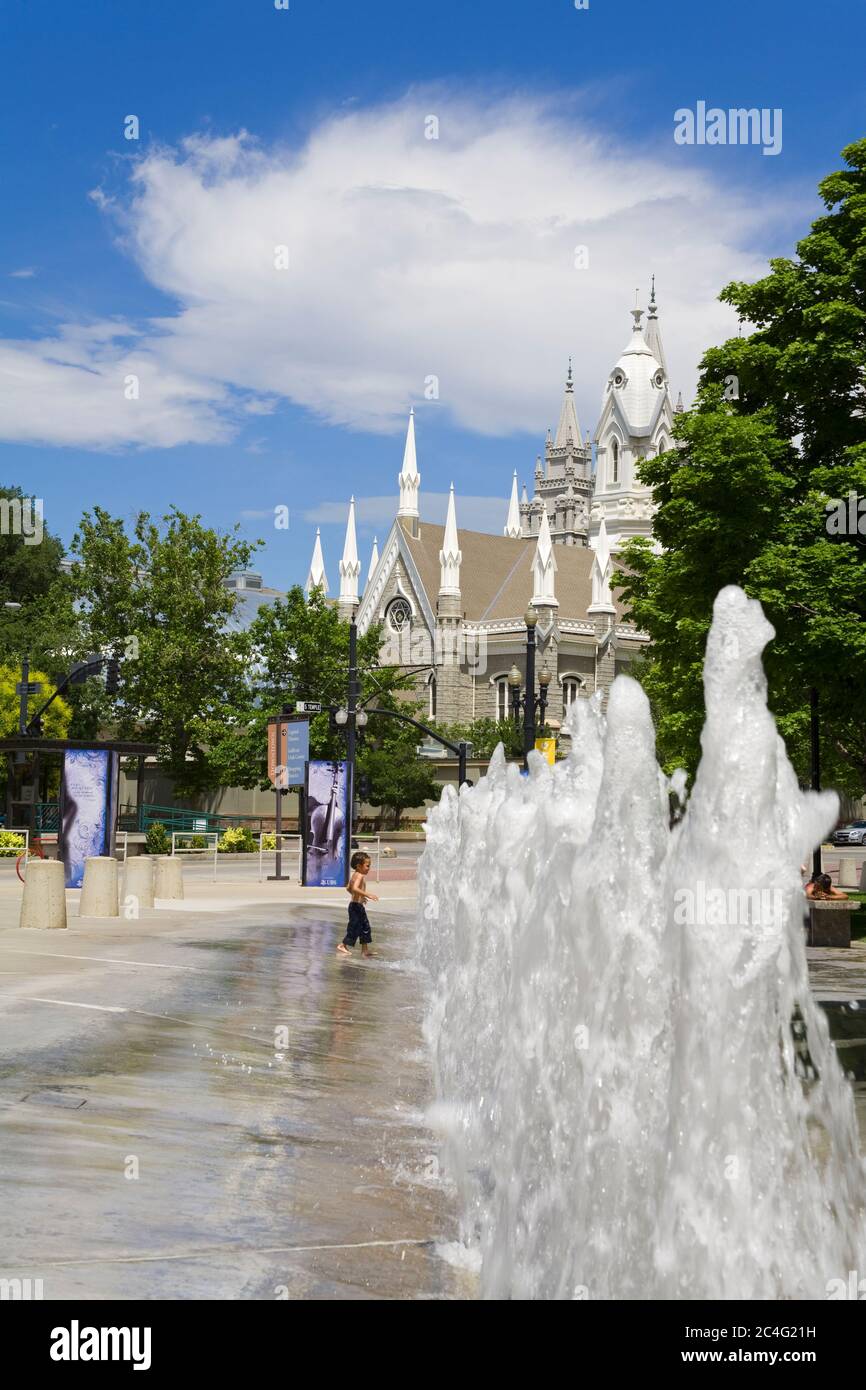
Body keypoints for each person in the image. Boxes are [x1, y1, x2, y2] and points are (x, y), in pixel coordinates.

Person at [337, 851, 379, 957]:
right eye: (367, 866)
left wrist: (360, 897)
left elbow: (348, 888)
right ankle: (343, 945)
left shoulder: (355, 875)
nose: (369, 868)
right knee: (355, 927)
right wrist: (367, 894)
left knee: (365, 927)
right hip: (355, 907)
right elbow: (355, 888)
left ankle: (364, 951)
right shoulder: (359, 876)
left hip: (356, 905)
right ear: (359, 866)